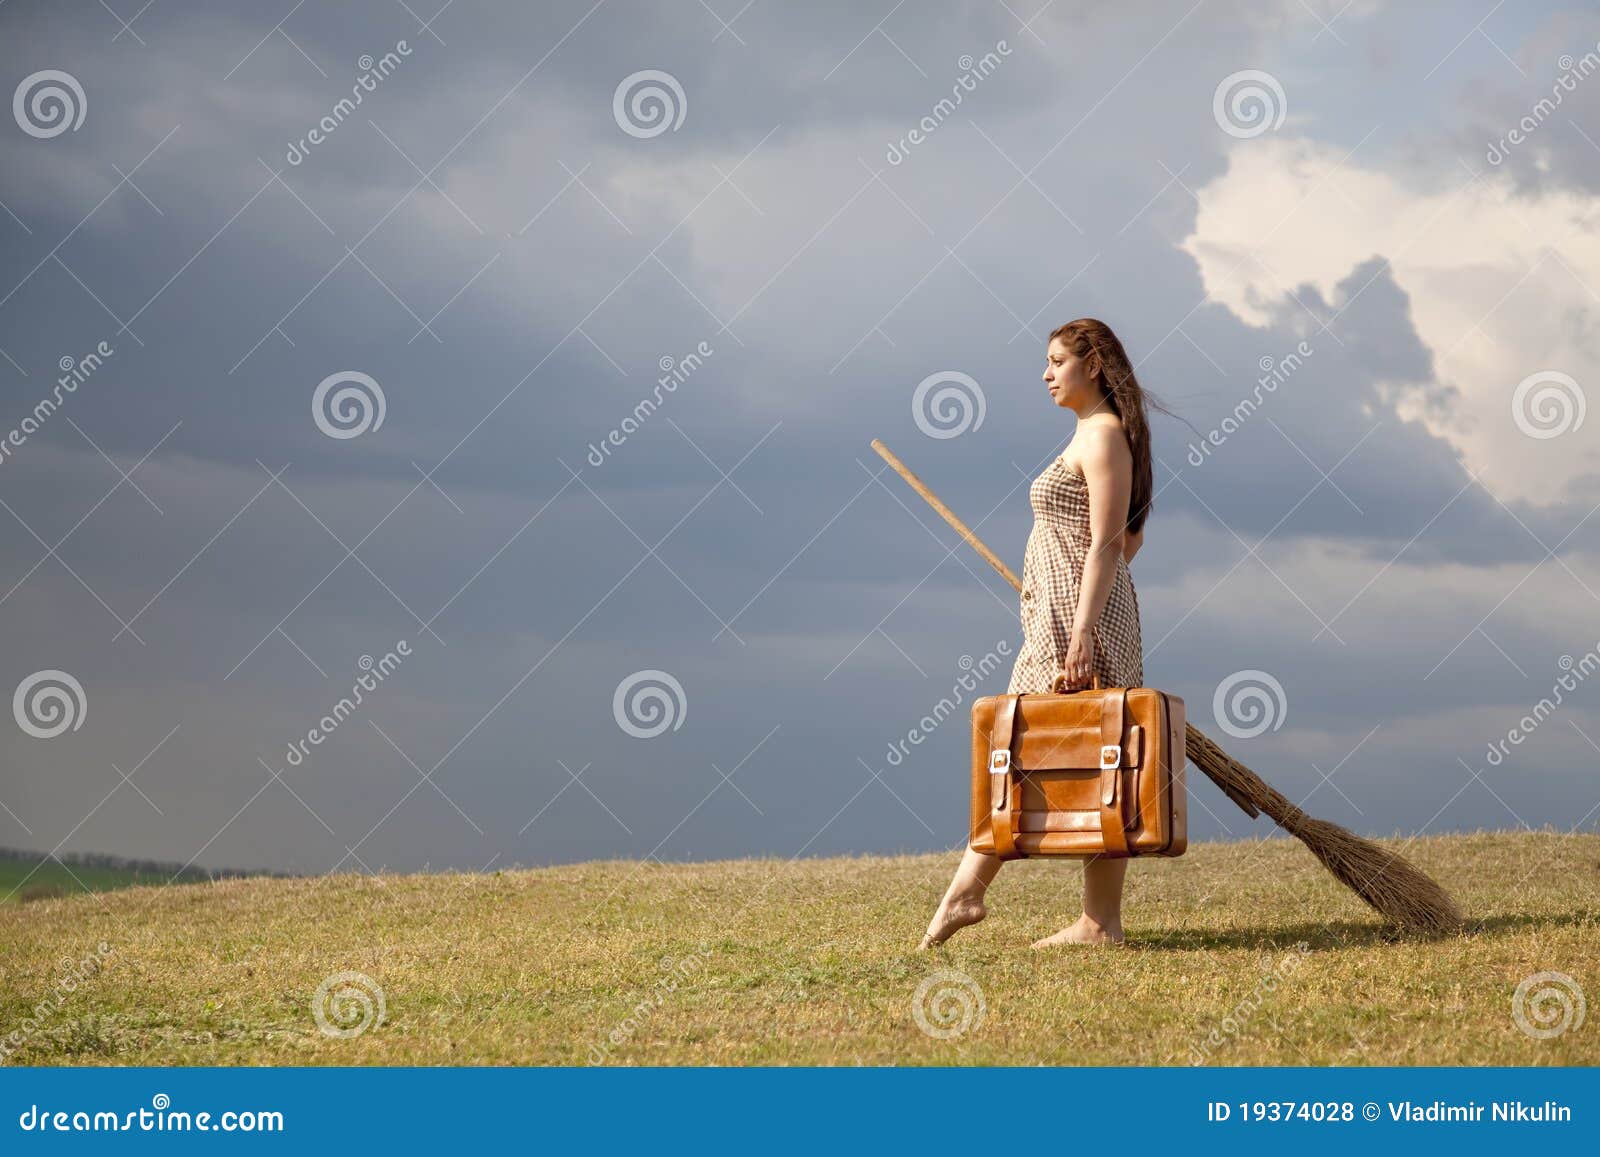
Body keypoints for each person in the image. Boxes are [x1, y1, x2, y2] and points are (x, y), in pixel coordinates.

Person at [919, 317, 1173, 950]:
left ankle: (974, 896)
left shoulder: (1106, 437)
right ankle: (1094, 921)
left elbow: (1115, 542)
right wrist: (1050, 586)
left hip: (1079, 624)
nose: (1046, 373)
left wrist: (1083, 626)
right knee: (1066, 752)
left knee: (1054, 751)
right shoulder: (1090, 435)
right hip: (1057, 616)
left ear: (1093, 364)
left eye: (1057, 361)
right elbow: (1115, 542)